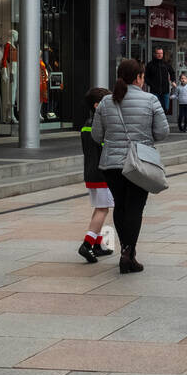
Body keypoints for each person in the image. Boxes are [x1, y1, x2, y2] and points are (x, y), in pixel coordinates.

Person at [91, 59, 168, 273]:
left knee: (121, 206)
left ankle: (126, 250)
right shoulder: (150, 100)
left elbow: (97, 136)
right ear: (139, 78)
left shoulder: (106, 101)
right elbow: (162, 132)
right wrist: (144, 137)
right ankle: (128, 253)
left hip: (111, 164)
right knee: (135, 208)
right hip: (139, 163)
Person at [77, 87, 115, 263]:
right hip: (102, 173)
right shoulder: (99, 126)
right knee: (102, 209)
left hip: (90, 172)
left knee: (99, 208)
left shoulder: (86, 123)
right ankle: (87, 244)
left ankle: (98, 244)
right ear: (97, 105)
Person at [144, 47, 176, 115]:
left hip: (165, 91)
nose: (160, 55)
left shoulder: (166, 64)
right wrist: (151, 85)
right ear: (155, 54)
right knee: (155, 109)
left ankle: (162, 123)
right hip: (155, 91)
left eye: (161, 53)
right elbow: (146, 77)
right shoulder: (150, 65)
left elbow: (172, 73)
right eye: (158, 53)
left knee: (166, 108)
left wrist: (173, 81)